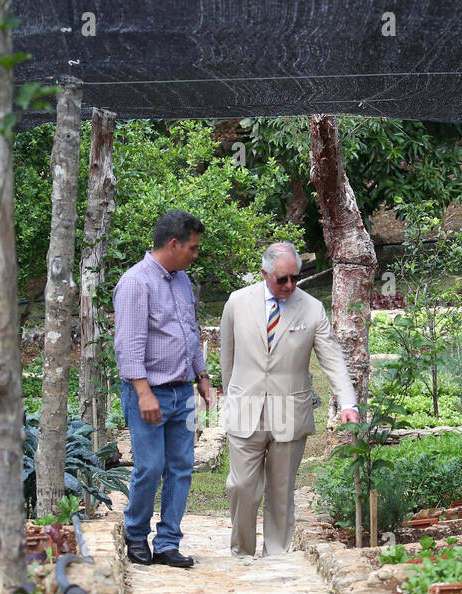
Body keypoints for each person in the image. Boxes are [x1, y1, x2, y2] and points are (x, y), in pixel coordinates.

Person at [220, 241, 359, 557]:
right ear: (264, 273)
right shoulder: (237, 302)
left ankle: (277, 557)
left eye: (295, 278)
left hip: (290, 413)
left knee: (281, 491)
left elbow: (332, 359)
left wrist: (348, 402)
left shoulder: (312, 308)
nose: (289, 285)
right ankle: (241, 552)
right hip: (245, 411)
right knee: (241, 486)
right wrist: (231, 398)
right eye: (282, 279)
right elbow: (227, 357)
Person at [112, 210, 215, 568]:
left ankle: (168, 541)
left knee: (181, 467)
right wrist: (143, 393)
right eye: (193, 248)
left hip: (182, 392)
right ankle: (135, 534)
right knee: (150, 468)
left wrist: (201, 374)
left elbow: (190, 330)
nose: (195, 254)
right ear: (174, 244)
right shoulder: (135, 283)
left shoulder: (182, 280)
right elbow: (128, 345)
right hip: (149, 393)